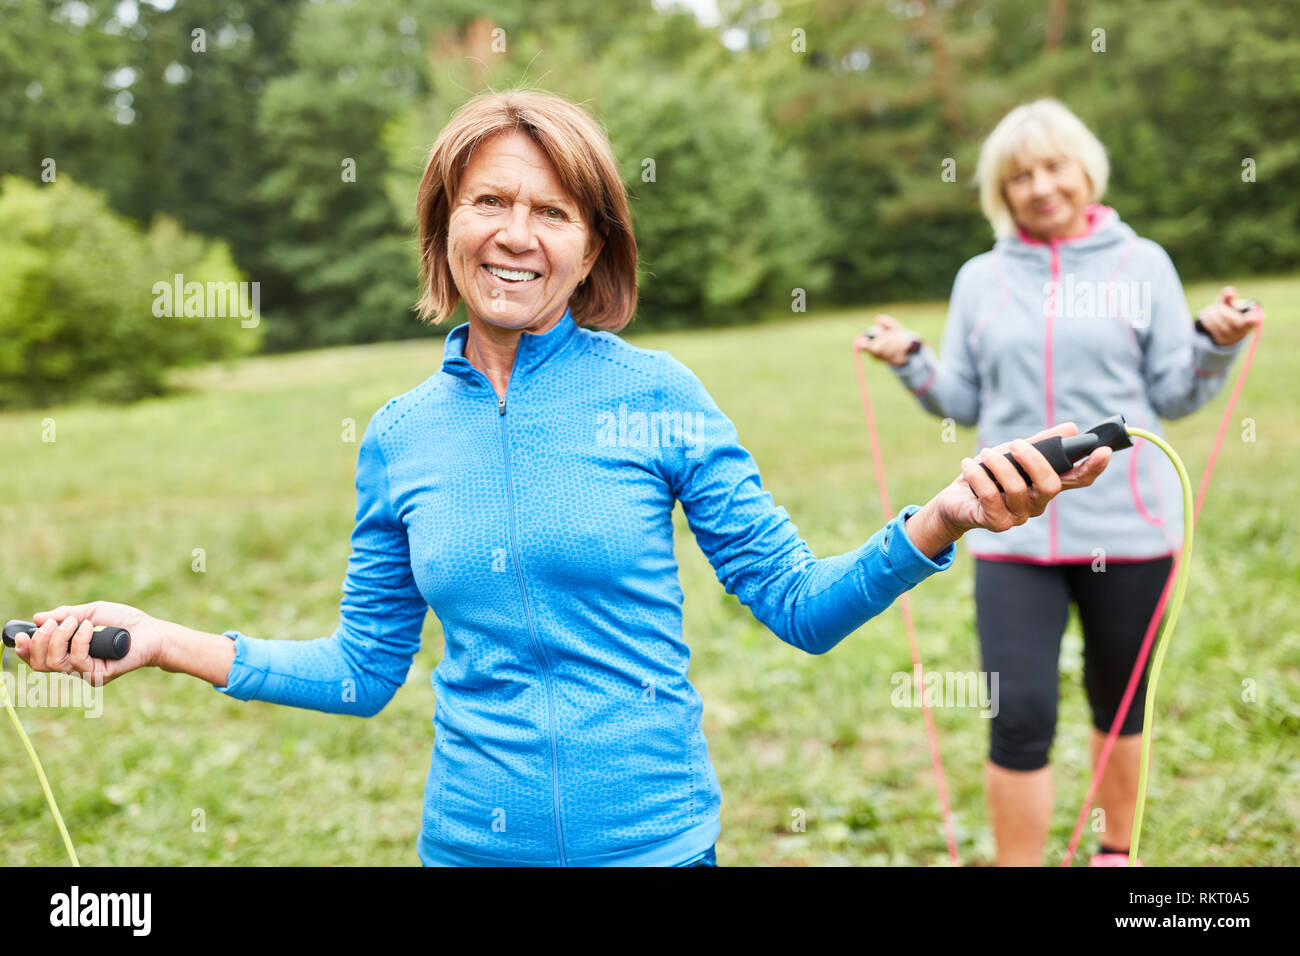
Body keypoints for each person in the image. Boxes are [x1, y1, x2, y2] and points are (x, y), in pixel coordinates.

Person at [14, 90, 1112, 867]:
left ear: (593, 249)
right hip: (467, 844)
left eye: (552, 211)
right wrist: (162, 639)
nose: (515, 235)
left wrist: (946, 516)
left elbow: (800, 608)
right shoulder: (398, 434)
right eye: (489, 201)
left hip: (653, 843)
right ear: (444, 223)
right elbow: (361, 669)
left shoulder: (661, 393)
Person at [860, 98, 1262, 867]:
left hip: (1130, 529)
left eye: (1054, 168)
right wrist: (910, 358)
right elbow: (964, 403)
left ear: (1086, 170)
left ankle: (1116, 854)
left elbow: (1176, 392)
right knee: (1019, 715)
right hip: (1012, 530)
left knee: (1120, 706)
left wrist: (1214, 344)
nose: (1040, 187)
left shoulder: (1142, 264)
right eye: (1019, 178)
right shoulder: (979, 277)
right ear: (1000, 194)